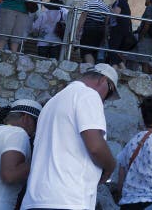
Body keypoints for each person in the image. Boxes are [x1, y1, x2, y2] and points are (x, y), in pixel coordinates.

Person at [21, 64, 119, 210]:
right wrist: (110, 166)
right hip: (68, 199)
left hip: (34, 200)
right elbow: (95, 146)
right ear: (103, 80)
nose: (104, 100)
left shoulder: (52, 103)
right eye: (109, 93)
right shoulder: (88, 94)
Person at [76, 0, 111, 65]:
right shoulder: (105, 7)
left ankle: (90, 69)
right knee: (94, 51)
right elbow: (106, 23)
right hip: (100, 30)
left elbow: (83, 16)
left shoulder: (88, 3)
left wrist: (77, 30)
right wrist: (105, 37)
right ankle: (90, 70)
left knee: (86, 51)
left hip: (89, 28)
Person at [108, 0, 133, 69]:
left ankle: (123, 67)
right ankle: (114, 68)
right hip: (123, 29)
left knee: (112, 49)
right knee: (114, 50)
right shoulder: (125, 2)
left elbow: (116, 13)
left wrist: (110, 8)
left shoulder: (120, 1)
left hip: (118, 29)